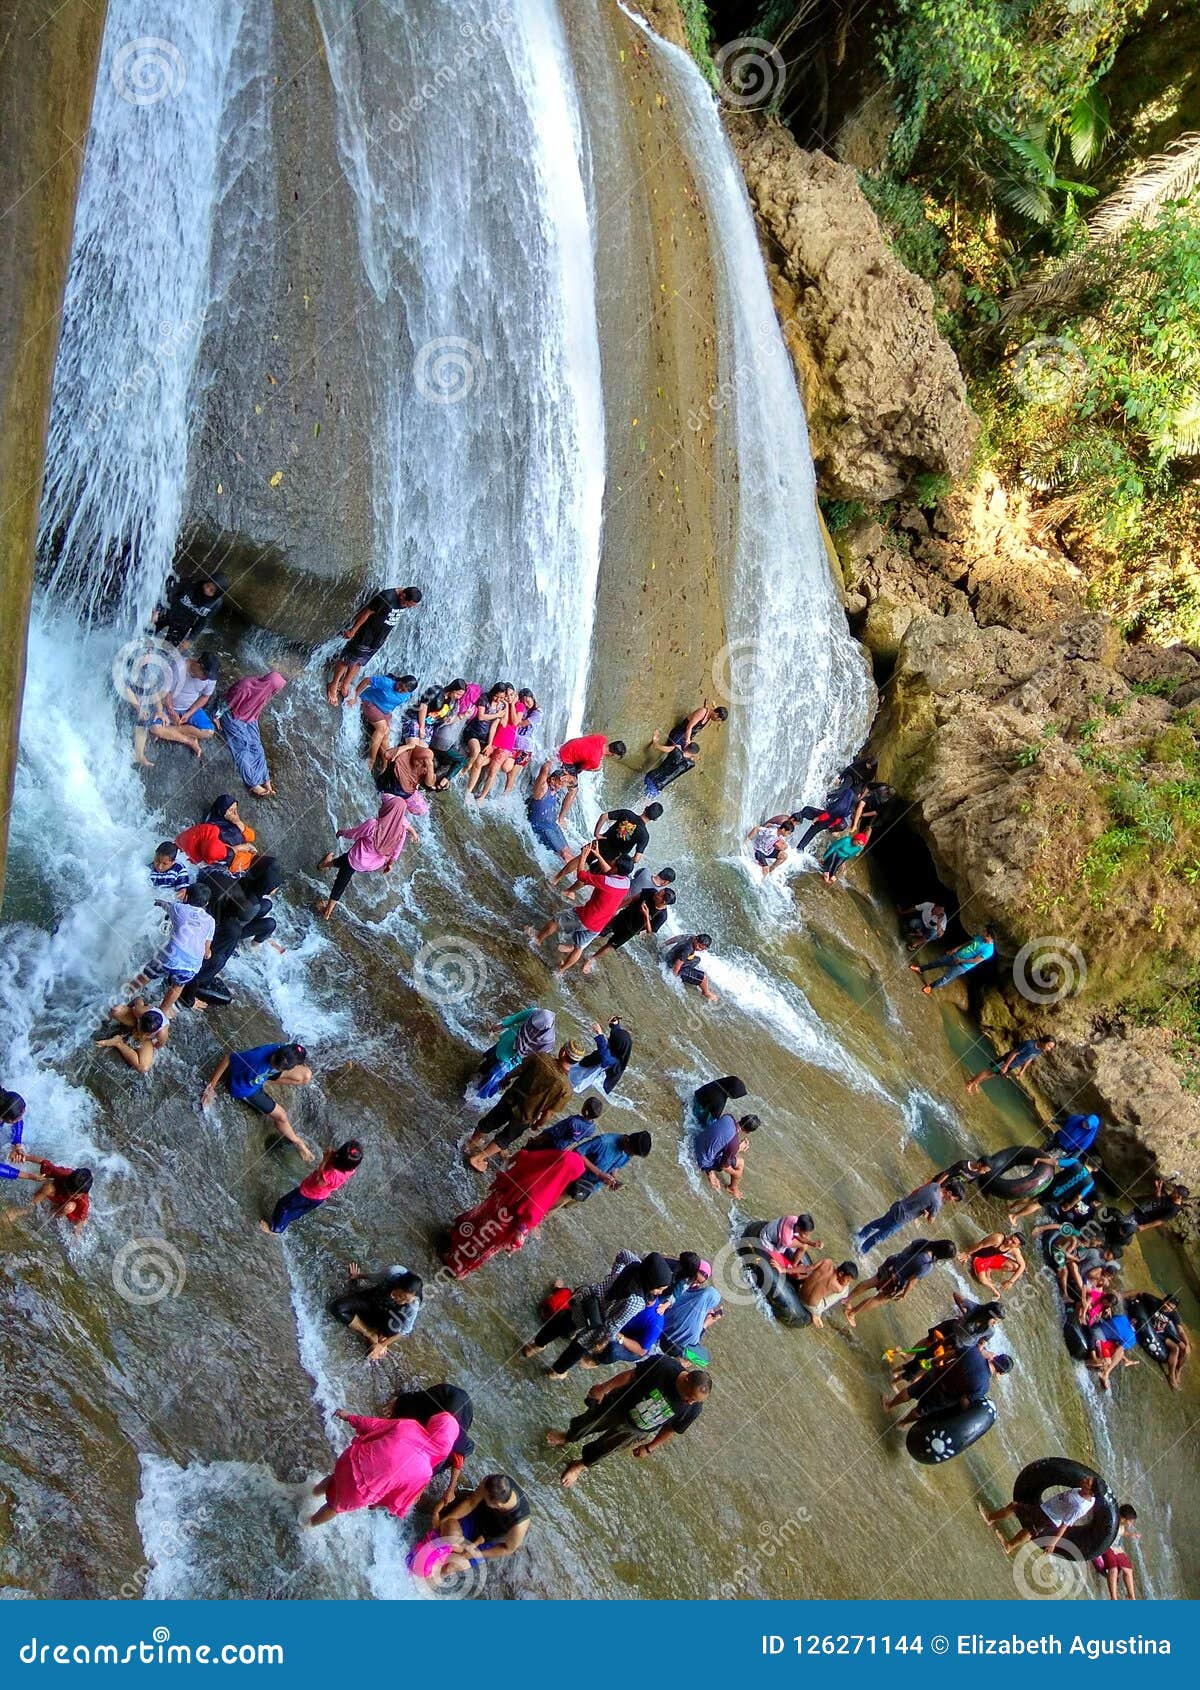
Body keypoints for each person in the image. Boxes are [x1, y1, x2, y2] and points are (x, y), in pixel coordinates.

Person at [442, 1144, 617, 1278]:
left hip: (501, 1199)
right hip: (506, 1220)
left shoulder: (542, 1162)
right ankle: (456, 1266)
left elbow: (524, 1157)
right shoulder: (550, 1189)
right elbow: (529, 1216)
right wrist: (517, 1241)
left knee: (477, 1219)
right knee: (484, 1241)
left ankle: (453, 1236)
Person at [546, 1357, 711, 1488]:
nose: (690, 1402)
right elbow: (631, 1375)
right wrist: (603, 1388)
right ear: (686, 1379)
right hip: (619, 1404)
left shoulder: (694, 1409)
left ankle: (579, 1465)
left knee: (604, 1450)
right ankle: (568, 1436)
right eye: (690, 1396)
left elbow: (671, 1429)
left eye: (695, 1401)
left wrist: (649, 1447)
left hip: (636, 1430)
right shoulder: (664, 1366)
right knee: (586, 1423)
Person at [523, 1250, 674, 1376]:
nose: (659, 1292)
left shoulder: (634, 1264)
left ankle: (535, 1346)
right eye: (659, 1288)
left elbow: (621, 1254)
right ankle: (556, 1372)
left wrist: (613, 1275)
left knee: (562, 1322)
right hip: (597, 1322)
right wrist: (605, 1340)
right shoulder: (637, 1302)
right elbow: (614, 1324)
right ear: (650, 1281)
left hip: (588, 1300)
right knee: (577, 1348)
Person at [307, 1406, 457, 1527]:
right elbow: (398, 1496)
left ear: (433, 1423)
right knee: (334, 1507)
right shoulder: (425, 1473)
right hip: (360, 1491)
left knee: (335, 1478)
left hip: (350, 1461)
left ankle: (311, 1492)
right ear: (446, 1446)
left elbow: (374, 1425)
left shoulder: (409, 1426)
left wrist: (349, 1417)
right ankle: (308, 1524)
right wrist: (377, 1504)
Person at [464, 1041, 579, 1172]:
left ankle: (471, 1143)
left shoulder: (541, 1057)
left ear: (563, 1052)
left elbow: (518, 1069)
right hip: (526, 1116)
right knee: (505, 1138)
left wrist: (505, 1079)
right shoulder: (567, 1089)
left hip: (511, 1099)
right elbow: (549, 1113)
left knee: (490, 1121)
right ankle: (479, 1158)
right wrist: (539, 1124)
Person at [528, 842, 633, 976]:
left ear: (616, 867)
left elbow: (582, 876)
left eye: (615, 861)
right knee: (579, 947)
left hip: (584, 918)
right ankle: (560, 971)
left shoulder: (605, 882)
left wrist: (584, 856)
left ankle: (537, 939)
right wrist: (597, 855)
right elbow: (610, 872)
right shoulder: (626, 883)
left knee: (556, 921)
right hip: (598, 925)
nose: (612, 860)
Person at [201, 1041, 314, 1161]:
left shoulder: (282, 1048)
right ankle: (298, 1142)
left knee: (306, 1075)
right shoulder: (255, 1059)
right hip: (246, 1088)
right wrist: (210, 1088)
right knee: (281, 1117)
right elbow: (228, 1058)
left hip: (262, 1074)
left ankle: (266, 1079)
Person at [316, 791, 421, 918]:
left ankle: (327, 911)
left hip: (357, 859)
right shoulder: (401, 833)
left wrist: (341, 833)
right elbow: (396, 852)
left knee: (342, 880)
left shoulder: (373, 825)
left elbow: (354, 834)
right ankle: (325, 864)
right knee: (344, 861)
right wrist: (390, 864)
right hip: (373, 864)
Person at [128, 882, 215, 1016]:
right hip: (191, 965)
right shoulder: (210, 921)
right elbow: (207, 951)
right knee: (176, 987)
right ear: (207, 903)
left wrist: (157, 902)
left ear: (186, 897)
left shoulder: (178, 908)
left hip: (171, 956)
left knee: (148, 974)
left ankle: (129, 992)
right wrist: (207, 953)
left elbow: (165, 905)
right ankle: (162, 1012)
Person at [326, 586, 422, 705]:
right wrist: (353, 630)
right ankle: (333, 684)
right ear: (402, 596)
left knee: (360, 662)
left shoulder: (404, 598)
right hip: (366, 635)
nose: (407, 607)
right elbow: (366, 613)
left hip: (378, 639)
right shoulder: (386, 597)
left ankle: (345, 683)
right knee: (347, 660)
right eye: (408, 604)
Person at [430, 1474, 531, 1579]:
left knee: (449, 1568)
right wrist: (446, 1520)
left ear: (498, 1505)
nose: (482, 1495)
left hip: (490, 1540)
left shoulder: (519, 1524)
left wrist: (476, 1554)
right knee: (443, 1545)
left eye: (485, 1498)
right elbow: (471, 1502)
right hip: (475, 1519)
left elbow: (508, 1549)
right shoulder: (492, 1482)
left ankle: (434, 1583)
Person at [843, 1238, 957, 1326]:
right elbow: (912, 1281)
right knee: (878, 1299)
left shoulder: (923, 1242)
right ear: (943, 1256)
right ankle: (852, 1313)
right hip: (897, 1280)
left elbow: (905, 1250)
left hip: (892, 1263)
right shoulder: (928, 1265)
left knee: (871, 1281)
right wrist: (904, 1294)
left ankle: (847, 1299)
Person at [260, 1140, 362, 1235]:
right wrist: (332, 1156)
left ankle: (275, 1229)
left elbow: (318, 1181)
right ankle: (283, 1223)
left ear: (340, 1158)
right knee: (296, 1211)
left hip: (308, 1194)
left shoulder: (333, 1174)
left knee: (283, 1205)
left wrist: (325, 1160)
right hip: (319, 1197)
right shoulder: (349, 1168)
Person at [980, 1475, 1096, 1558]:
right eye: (1087, 1479)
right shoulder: (1090, 1497)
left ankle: (991, 1519)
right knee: (1029, 1530)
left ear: (1090, 1491)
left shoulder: (1079, 1506)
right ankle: (1009, 1545)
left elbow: (1065, 1524)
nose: (1084, 1479)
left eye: (1087, 1482)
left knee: (1016, 1509)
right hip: (1046, 1509)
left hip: (1049, 1516)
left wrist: (1053, 1543)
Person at [136, 654, 219, 764]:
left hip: (188, 708)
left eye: (208, 677)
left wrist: (190, 713)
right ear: (199, 665)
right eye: (205, 675)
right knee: (155, 728)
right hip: (168, 706)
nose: (205, 679)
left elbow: (205, 696)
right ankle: (189, 740)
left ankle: (168, 732)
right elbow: (167, 692)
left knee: (209, 731)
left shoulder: (210, 678)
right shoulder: (178, 667)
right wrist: (172, 712)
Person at [328, 1263, 423, 1359]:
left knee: (395, 1326)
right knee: (337, 1308)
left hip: (386, 1318)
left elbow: (405, 1331)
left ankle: (380, 1336)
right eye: (401, 1297)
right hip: (371, 1301)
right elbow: (375, 1277)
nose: (402, 1302)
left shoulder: (413, 1304)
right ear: (398, 1286)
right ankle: (369, 1333)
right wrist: (357, 1276)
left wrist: (382, 1345)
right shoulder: (393, 1273)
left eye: (407, 1300)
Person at [215, 672, 287, 797]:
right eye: (276, 689)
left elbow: (255, 709)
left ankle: (265, 779)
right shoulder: (246, 686)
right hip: (232, 715)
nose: (275, 692)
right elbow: (227, 702)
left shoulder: (265, 692)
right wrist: (216, 716)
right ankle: (253, 783)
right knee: (242, 746)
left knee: (256, 745)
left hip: (249, 718)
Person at [581, 885, 676, 977]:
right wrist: (616, 909)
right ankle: (581, 945)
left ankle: (592, 958)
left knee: (611, 945)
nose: (656, 893)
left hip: (632, 930)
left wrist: (646, 915)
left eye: (659, 894)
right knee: (601, 932)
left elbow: (650, 931)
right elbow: (631, 899)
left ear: (663, 902)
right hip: (623, 916)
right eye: (659, 891)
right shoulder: (650, 892)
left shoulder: (662, 916)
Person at [556, 802, 662, 883]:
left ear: (646, 808)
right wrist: (624, 860)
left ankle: (556, 878)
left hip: (602, 843)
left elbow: (604, 816)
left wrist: (597, 833)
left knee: (579, 859)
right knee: (592, 874)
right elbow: (637, 858)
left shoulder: (627, 813)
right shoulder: (644, 835)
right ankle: (570, 891)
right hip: (613, 856)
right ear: (655, 819)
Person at [855, 1176, 964, 1254]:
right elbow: (931, 1220)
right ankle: (861, 1251)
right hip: (902, 1218)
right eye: (955, 1199)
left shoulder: (934, 1185)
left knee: (880, 1222)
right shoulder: (937, 1203)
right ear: (949, 1193)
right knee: (881, 1236)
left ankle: (860, 1236)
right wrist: (926, 1215)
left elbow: (917, 1191)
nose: (953, 1201)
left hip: (898, 1206)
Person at [472, 1007, 556, 1100]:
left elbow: (538, 1057)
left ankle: (479, 1098)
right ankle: (475, 1077)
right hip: (504, 1044)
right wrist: (500, 1026)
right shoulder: (534, 1012)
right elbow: (516, 1018)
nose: (532, 1027)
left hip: (512, 1060)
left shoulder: (548, 1041)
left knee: (493, 1078)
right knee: (486, 1065)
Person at [1, 1150, 92, 1230]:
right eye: (68, 1190)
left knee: (69, 1207)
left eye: (74, 1195)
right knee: (48, 1187)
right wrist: (23, 1157)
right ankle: (26, 1209)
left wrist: (76, 1236)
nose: (70, 1194)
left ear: (82, 1194)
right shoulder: (62, 1174)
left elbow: (81, 1219)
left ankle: (52, 1216)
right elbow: (43, 1162)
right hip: (57, 1193)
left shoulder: (83, 1199)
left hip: (66, 1206)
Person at [559, 1131, 652, 1206]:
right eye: (631, 1152)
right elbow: (577, 1151)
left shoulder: (627, 1152)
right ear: (627, 1140)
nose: (631, 1155)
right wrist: (599, 1174)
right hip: (574, 1181)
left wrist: (614, 1179)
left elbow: (615, 1166)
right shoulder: (604, 1141)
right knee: (552, 1207)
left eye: (634, 1154)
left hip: (588, 1189)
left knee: (565, 1206)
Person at [352, 672, 418, 773]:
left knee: (386, 734)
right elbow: (366, 680)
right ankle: (371, 760)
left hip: (385, 712)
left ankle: (385, 765)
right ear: (399, 680)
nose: (399, 689)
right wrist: (354, 696)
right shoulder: (387, 683)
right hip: (370, 703)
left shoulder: (408, 694)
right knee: (382, 728)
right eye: (400, 685)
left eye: (403, 690)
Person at [152, 569, 227, 648]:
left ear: (217, 594)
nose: (206, 590)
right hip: (167, 612)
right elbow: (169, 591)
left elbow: (203, 621)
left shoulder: (215, 604)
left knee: (167, 649)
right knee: (145, 634)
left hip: (183, 625)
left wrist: (191, 639)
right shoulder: (192, 583)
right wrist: (157, 610)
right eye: (207, 585)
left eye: (211, 590)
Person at [659, 1261, 721, 1355]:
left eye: (700, 1283)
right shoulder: (696, 1330)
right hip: (667, 1349)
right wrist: (705, 1325)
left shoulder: (680, 1295)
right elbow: (693, 1351)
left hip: (655, 1332)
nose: (695, 1284)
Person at [94, 1001, 169, 1075]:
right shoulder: (139, 1011)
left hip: (146, 1039)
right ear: (140, 1018)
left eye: (146, 1034)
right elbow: (138, 999)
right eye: (141, 1030)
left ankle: (118, 1042)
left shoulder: (162, 1033)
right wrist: (128, 1007)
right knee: (116, 1010)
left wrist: (146, 1045)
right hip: (134, 1022)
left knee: (143, 1068)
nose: (142, 1034)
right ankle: (132, 1028)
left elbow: (159, 1045)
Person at [910, 929, 995, 993]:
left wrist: (961, 960)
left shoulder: (989, 950)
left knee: (946, 978)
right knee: (937, 962)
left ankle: (931, 987)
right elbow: (968, 943)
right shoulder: (980, 937)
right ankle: (921, 969)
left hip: (963, 966)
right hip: (956, 956)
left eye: (985, 933)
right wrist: (955, 949)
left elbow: (975, 960)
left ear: (990, 937)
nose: (983, 932)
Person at [692, 1109, 760, 1188]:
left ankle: (710, 1171)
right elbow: (724, 1166)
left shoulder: (728, 1117)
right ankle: (732, 1189)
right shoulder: (733, 1143)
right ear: (748, 1132)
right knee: (741, 1163)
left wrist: (736, 1147)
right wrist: (736, 1174)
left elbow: (720, 1140)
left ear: (742, 1118)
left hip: (696, 1141)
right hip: (701, 1160)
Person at [965, 1035, 1056, 1094]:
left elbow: (1029, 1059)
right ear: (1044, 1041)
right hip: (1006, 1061)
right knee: (990, 1071)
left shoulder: (1040, 1050)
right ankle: (970, 1083)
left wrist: (1022, 1071)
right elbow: (1014, 1053)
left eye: (1051, 1048)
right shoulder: (1029, 1044)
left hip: (1012, 1065)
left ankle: (976, 1082)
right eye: (1049, 1046)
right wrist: (1005, 1065)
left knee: (993, 1074)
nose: (1049, 1049)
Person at [526, 762, 576, 861]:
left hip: (553, 826)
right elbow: (544, 769)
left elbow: (574, 787)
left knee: (569, 853)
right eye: (559, 783)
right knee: (564, 855)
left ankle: (577, 874)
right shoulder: (542, 789)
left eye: (562, 785)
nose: (560, 787)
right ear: (552, 780)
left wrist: (570, 778)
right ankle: (576, 875)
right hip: (542, 827)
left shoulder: (555, 790)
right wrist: (550, 761)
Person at [569, 1019, 633, 1096]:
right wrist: (615, 1025)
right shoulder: (619, 1051)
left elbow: (605, 1056)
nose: (608, 1039)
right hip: (581, 1069)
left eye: (610, 1040)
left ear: (615, 1045)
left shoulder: (613, 1061)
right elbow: (617, 1033)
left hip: (577, 1082)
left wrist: (600, 1034)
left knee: (569, 1082)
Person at [526, 1095, 605, 1154]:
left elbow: (554, 1133)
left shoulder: (572, 1121)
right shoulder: (592, 1128)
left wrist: (538, 1139)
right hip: (560, 1148)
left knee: (528, 1152)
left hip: (549, 1142)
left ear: (586, 1111)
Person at [795, 1259, 858, 1327]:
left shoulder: (827, 1262)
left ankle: (847, 1303)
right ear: (841, 1274)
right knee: (845, 1290)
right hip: (811, 1306)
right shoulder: (838, 1288)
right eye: (848, 1280)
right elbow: (841, 1288)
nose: (848, 1283)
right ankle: (816, 1314)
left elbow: (810, 1269)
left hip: (801, 1292)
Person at [1095, 1506, 1140, 1600]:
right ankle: (1113, 1598)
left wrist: (1131, 1535)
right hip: (1107, 1546)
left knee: (1128, 1570)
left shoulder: (1121, 1524)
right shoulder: (1111, 1522)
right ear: (1123, 1518)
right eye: (1130, 1521)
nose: (1131, 1523)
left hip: (1117, 1548)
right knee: (1114, 1569)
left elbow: (1121, 1533)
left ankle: (1132, 1597)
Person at [961, 1231, 1026, 1294]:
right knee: (983, 1280)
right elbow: (980, 1245)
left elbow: (1022, 1265)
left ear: (1017, 1246)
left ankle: (990, 1269)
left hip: (991, 1257)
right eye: (1011, 1237)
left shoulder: (1015, 1249)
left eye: (1013, 1242)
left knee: (1016, 1267)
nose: (1009, 1241)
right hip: (980, 1257)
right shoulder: (998, 1238)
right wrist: (967, 1254)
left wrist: (1011, 1282)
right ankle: (994, 1289)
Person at [665, 932, 719, 1002]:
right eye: (699, 946)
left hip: (669, 958)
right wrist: (672, 979)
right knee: (703, 977)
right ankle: (706, 993)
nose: (699, 949)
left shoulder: (690, 936)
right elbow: (677, 965)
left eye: (702, 949)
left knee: (697, 959)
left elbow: (676, 938)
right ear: (696, 939)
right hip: (672, 966)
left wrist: (664, 944)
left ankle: (688, 974)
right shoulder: (687, 950)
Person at [643, 731, 697, 798]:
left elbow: (656, 746)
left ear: (686, 746)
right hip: (659, 787)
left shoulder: (675, 750)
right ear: (693, 754)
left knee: (645, 796)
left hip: (652, 777)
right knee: (646, 800)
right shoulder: (691, 765)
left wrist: (655, 739)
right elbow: (691, 759)